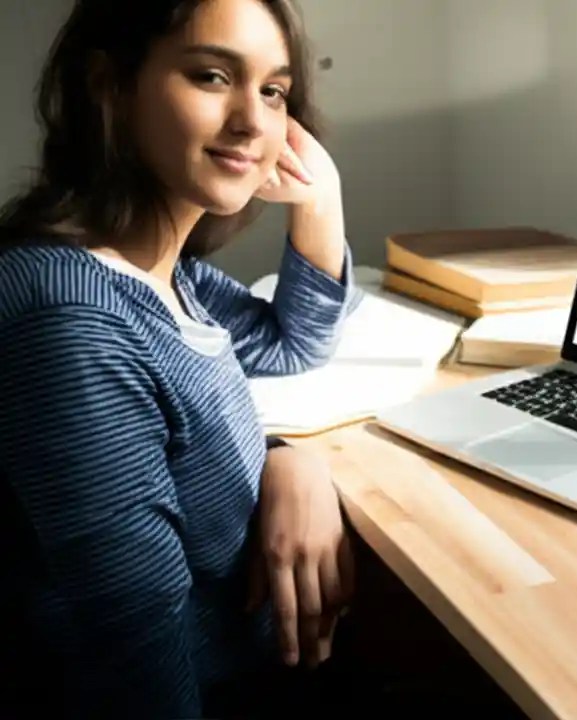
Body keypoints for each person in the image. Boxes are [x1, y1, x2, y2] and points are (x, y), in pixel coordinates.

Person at [0, 0, 361, 716]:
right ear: (110, 87)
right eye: (210, 75)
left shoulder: (165, 274)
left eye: (273, 90)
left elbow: (292, 345)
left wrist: (287, 458)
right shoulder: (71, 316)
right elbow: (137, 664)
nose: (254, 121)